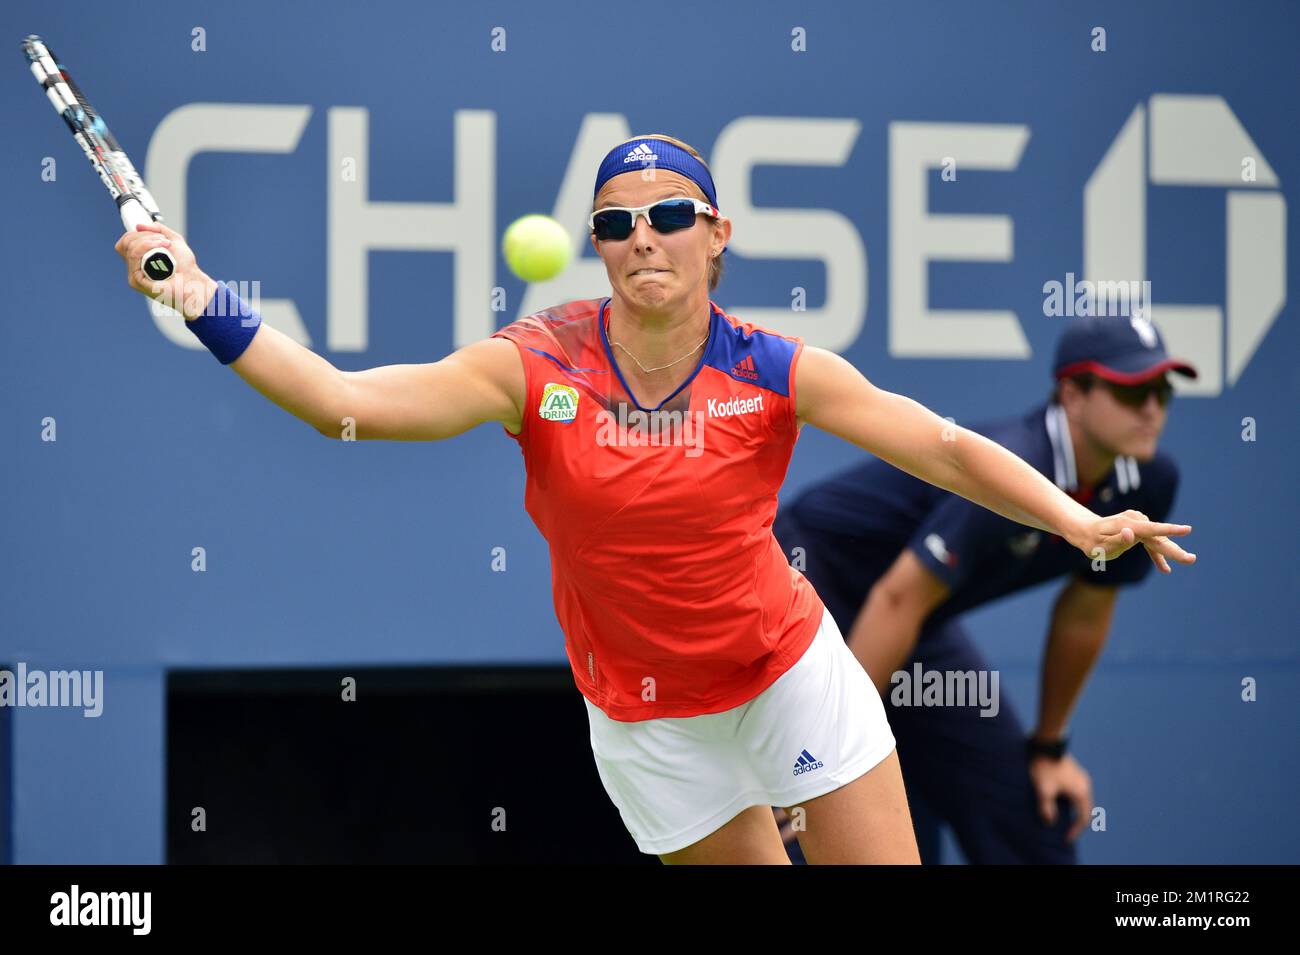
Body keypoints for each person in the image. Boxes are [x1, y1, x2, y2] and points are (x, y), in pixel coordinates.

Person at [114, 133, 1195, 864]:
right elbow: (345, 403)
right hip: (645, 722)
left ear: (715, 235)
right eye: (618, 221)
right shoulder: (530, 365)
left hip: (788, 676)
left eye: (670, 214)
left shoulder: (772, 367)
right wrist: (199, 297)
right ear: (596, 246)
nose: (644, 235)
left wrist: (1076, 518)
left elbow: (945, 447)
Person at [773, 315, 1197, 864]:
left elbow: (1085, 612)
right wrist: (828, 748)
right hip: (815, 592)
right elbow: (895, 599)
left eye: (1162, 391)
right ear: (1072, 393)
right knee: (829, 812)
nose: (1152, 409)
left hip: (912, 618)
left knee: (1029, 823)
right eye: (1131, 389)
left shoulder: (1149, 481)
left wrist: (1049, 748)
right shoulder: (1022, 460)